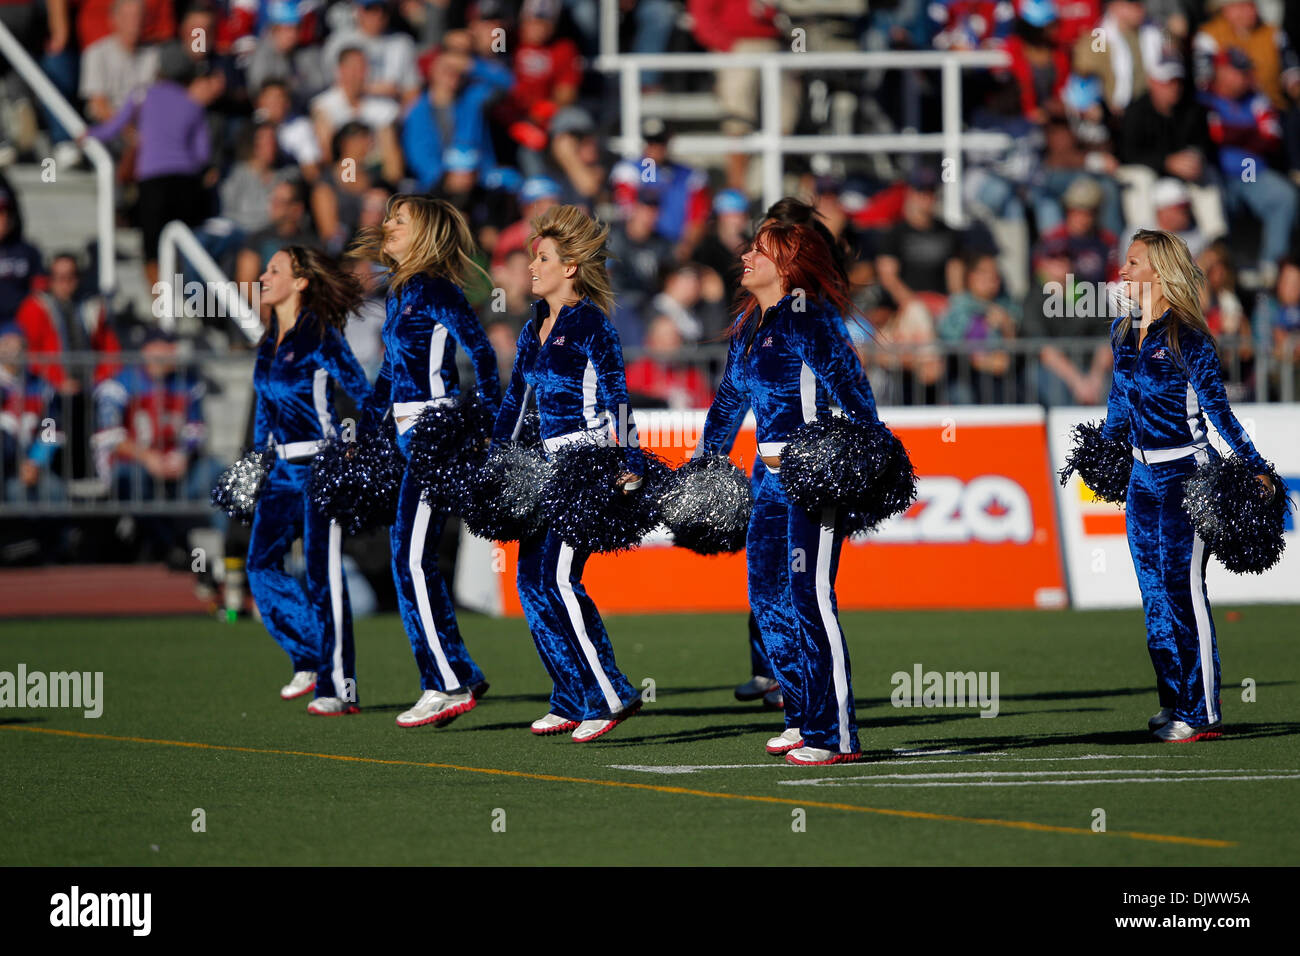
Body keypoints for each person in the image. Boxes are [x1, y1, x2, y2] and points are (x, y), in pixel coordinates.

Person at [696, 216, 881, 766]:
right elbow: (729, 402)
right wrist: (705, 464)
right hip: (767, 481)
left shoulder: (811, 318)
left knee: (810, 597)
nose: (746, 257)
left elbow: (857, 399)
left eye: (760, 251)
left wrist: (849, 462)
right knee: (768, 597)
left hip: (811, 478)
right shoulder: (751, 322)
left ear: (789, 265)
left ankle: (837, 733)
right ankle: (802, 715)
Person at [1101, 228, 1274, 742]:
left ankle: (1200, 712)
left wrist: (1255, 463)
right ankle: (1173, 699)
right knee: (1152, 592)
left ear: (1159, 271)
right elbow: (1118, 404)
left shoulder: (1187, 338)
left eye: (1133, 263)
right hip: (1140, 478)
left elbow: (1219, 412)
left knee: (1183, 589)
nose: (1124, 272)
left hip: (1187, 478)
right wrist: (1105, 450)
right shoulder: (1121, 332)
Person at [491, 204, 644, 743]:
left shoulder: (590, 324)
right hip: (546, 468)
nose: (531, 267)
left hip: (587, 463)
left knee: (558, 578)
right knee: (530, 582)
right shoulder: (535, 326)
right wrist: (493, 460)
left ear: (571, 267)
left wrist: (631, 463)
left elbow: (618, 398)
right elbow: (515, 400)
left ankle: (611, 692)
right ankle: (569, 695)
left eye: (543, 258)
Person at [353, 195, 500, 728]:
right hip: (406, 435)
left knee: (410, 558)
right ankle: (457, 666)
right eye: (388, 217)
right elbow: (391, 372)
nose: (386, 225)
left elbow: (482, 354)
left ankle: (447, 682)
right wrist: (367, 432)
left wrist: (484, 424)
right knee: (409, 555)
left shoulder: (436, 288)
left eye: (400, 220)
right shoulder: (401, 290)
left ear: (428, 235)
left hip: (436, 433)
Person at [247, 246, 373, 714]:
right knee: (259, 565)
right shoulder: (268, 341)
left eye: (274, 270)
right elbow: (264, 410)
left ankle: (339, 687)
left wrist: (363, 448)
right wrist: (255, 466)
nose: (263, 276)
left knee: (324, 576)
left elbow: (362, 392)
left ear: (301, 282)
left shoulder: (320, 334)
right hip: (280, 470)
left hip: (321, 466)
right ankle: (309, 656)